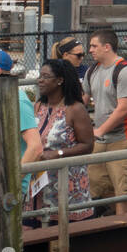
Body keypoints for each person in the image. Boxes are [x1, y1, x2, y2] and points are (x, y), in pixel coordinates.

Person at [30, 58, 94, 224]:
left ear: (60, 80)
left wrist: (58, 153)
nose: (40, 80)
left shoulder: (75, 109)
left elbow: (88, 145)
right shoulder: (39, 106)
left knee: (61, 235)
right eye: (40, 76)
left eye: (45, 76)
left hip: (67, 186)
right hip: (40, 185)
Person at [84, 28, 127, 215]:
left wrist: (99, 131)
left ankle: (125, 229)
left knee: (124, 190)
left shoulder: (124, 71)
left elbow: (124, 108)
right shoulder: (92, 70)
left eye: (94, 46)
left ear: (107, 47)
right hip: (101, 140)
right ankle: (110, 224)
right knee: (98, 186)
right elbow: (82, 100)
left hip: (123, 139)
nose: (90, 50)